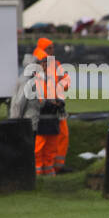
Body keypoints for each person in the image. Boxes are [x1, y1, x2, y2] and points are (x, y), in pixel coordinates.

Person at [31, 37, 69, 176]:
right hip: (43, 109)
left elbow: (66, 83)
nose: (53, 50)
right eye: (49, 48)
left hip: (55, 108)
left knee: (59, 136)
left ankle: (52, 167)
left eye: (53, 47)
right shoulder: (39, 64)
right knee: (42, 141)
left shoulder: (55, 64)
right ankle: (41, 169)